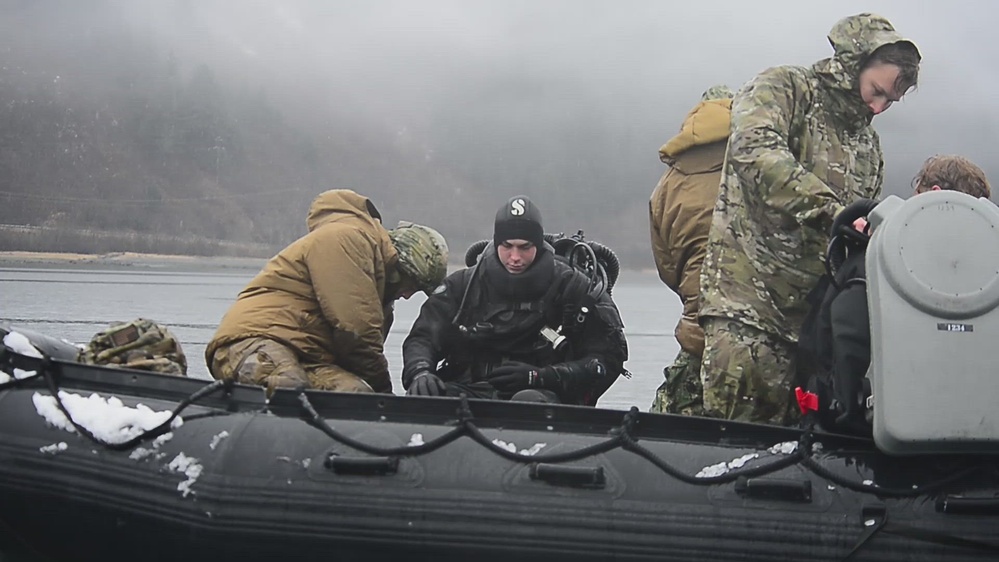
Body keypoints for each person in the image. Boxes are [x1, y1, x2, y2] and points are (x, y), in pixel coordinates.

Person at [696, 13, 921, 425]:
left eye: (890, 100)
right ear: (854, 62)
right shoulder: (784, 88)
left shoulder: (868, 145)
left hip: (818, 329)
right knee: (740, 444)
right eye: (876, 91)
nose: (878, 106)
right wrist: (832, 212)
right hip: (749, 309)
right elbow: (755, 152)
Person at [797, 155, 991, 434]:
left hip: (864, 436)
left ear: (933, 194)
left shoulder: (871, 262)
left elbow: (828, 345)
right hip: (978, 438)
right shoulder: (988, 274)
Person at [205, 189, 448, 395]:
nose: (407, 295)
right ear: (400, 266)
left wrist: (378, 400)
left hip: (310, 359)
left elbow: (358, 357)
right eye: (411, 285)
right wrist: (386, 396)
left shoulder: (380, 299)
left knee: (358, 395)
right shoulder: (348, 238)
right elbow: (356, 331)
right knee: (286, 385)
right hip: (255, 339)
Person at [402, 195, 628, 405]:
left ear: (538, 245)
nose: (515, 257)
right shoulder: (462, 286)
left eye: (525, 247)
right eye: (507, 246)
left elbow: (607, 360)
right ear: (496, 242)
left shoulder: (573, 289)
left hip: (543, 396)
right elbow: (423, 338)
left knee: (527, 400)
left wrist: (539, 377)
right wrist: (420, 372)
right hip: (467, 388)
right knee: (429, 398)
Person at [648, 84, 734, 415]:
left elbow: (667, 266)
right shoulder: (753, 168)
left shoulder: (665, 188)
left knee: (672, 418)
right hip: (752, 333)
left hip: (696, 325)